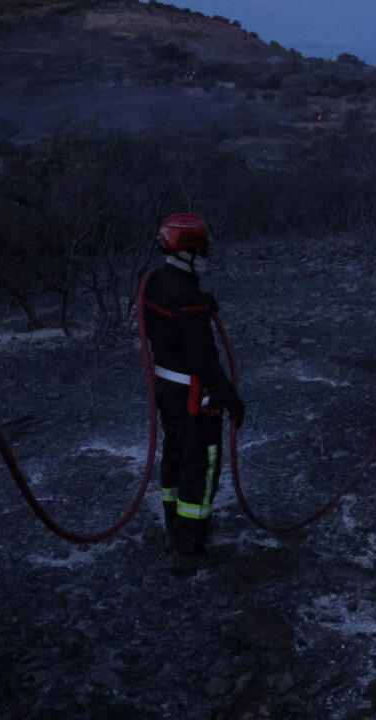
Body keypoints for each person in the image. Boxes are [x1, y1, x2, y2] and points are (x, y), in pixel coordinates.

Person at [143, 212, 245, 573]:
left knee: (174, 455)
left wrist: (201, 304)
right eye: (202, 251)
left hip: (165, 388)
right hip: (193, 394)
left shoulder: (154, 281)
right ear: (187, 252)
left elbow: (165, 322)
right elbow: (203, 357)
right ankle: (189, 549)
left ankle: (174, 530)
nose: (206, 258)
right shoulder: (188, 297)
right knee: (202, 465)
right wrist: (230, 398)